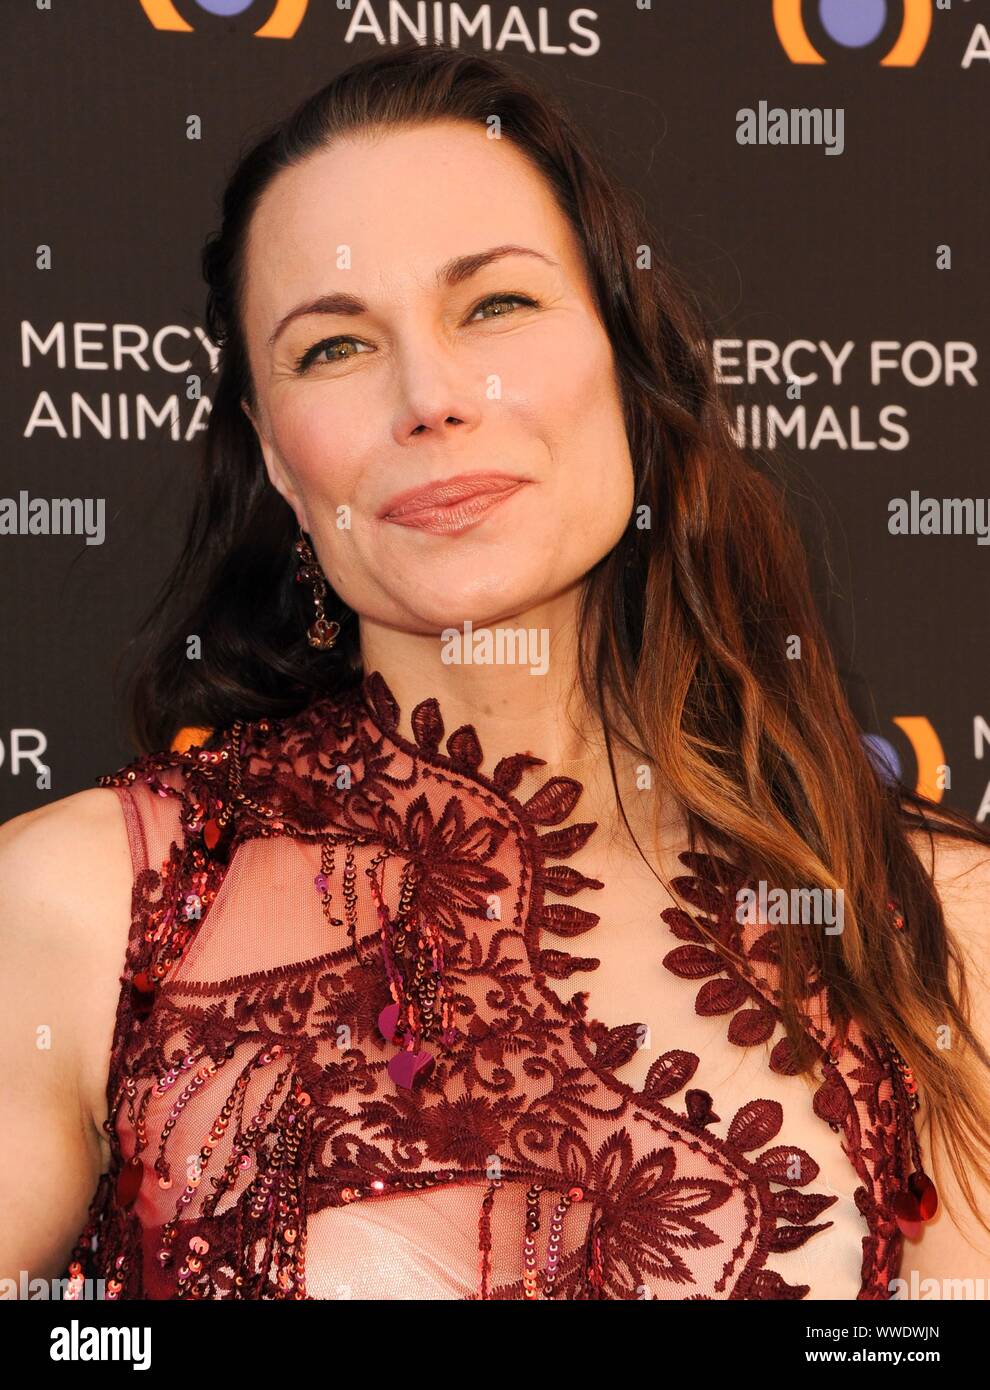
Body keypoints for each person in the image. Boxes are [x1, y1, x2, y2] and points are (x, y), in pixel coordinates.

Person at [2, 41, 989, 1302]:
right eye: (334, 348)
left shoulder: (935, 927)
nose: (431, 397)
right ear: (280, 463)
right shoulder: (84, 908)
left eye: (496, 306)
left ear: (628, 367)